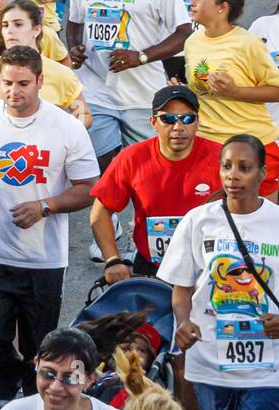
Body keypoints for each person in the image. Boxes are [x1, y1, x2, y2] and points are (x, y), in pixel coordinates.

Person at [0, 46, 100, 410]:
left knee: (40, 344)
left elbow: (89, 188)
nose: (13, 91)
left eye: (23, 83)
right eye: (6, 83)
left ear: (41, 81)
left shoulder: (66, 127)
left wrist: (45, 206)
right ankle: (8, 385)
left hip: (44, 259)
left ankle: (26, 398)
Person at [160, 134, 279, 410]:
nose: (233, 176)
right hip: (209, 359)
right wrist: (184, 321)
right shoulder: (198, 220)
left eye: (244, 168)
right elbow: (182, 288)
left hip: (268, 365)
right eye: (226, 167)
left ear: (262, 173)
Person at [67, 0, 192, 170]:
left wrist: (141, 57)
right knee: (99, 166)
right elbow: (75, 21)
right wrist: (75, 48)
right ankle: (106, 212)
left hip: (141, 94)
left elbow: (183, 32)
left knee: (150, 171)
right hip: (96, 91)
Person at [91, 84, 222, 283]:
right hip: (152, 267)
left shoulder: (221, 157)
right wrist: (112, 260)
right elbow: (100, 212)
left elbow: (249, 207)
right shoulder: (131, 157)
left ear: (197, 122)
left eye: (188, 118)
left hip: (208, 266)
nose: (178, 127)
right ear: (153, 122)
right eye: (168, 119)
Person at [183, 0, 279, 188]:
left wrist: (236, 92)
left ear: (222, 7)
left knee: (261, 219)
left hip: (252, 145)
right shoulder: (193, 42)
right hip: (207, 142)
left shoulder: (248, 44)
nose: (192, 2)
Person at [0, 0, 85, 118]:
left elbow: (84, 115)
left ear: (36, 30)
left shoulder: (61, 73)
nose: (10, 31)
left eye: (18, 24)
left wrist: (63, 135)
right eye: (5, 25)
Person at [0, 327, 123, 410]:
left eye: (70, 379)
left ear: (89, 380)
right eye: (48, 374)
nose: (55, 387)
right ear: (36, 364)